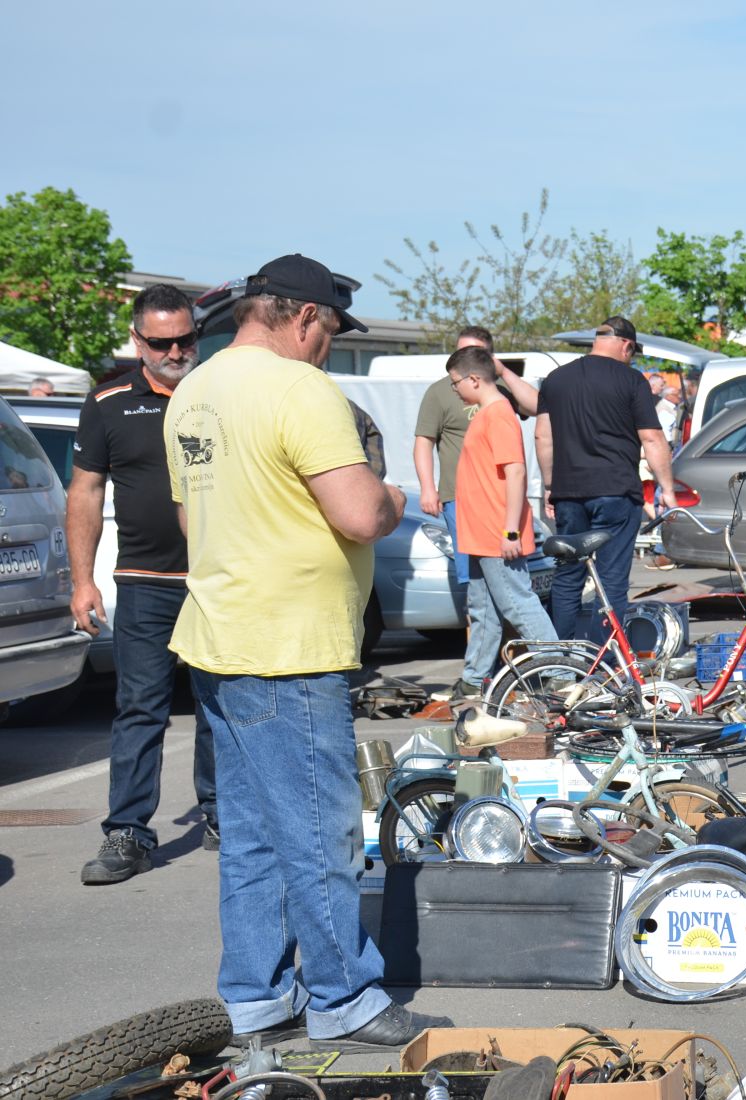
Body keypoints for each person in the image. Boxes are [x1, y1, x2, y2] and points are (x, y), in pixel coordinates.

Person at [164, 254, 446, 1045]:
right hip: (289, 644)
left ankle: (256, 995)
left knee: (252, 834)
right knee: (319, 828)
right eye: (327, 332)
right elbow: (359, 515)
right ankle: (342, 997)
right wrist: (394, 497)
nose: (326, 348)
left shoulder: (194, 391)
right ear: (304, 319)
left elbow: (193, 522)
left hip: (220, 636)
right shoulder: (301, 390)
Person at [72, 284, 218, 885]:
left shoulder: (223, 394)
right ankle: (128, 832)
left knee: (222, 707)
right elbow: (84, 490)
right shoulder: (107, 403)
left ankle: (223, 815)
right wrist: (82, 581)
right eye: (162, 342)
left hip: (218, 579)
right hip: (145, 581)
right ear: (138, 340)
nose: (177, 350)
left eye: (187, 338)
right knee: (139, 709)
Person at [537, 316, 678, 643]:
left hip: (569, 492)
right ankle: (610, 657)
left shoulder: (556, 380)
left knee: (568, 576)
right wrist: (667, 490)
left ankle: (562, 659)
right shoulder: (631, 381)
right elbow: (653, 438)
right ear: (627, 345)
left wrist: (549, 485)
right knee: (612, 578)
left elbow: (543, 438)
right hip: (616, 491)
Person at [448, 346, 558, 696]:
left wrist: (510, 529)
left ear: (474, 379)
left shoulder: (498, 414)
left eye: (455, 383)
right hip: (481, 534)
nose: (454, 389)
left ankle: (562, 671)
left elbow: (515, 472)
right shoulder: (486, 413)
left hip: (498, 532)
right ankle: (473, 678)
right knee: (484, 609)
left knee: (516, 603)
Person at [413, 326, 538, 587]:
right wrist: (428, 488)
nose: (466, 358)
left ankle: (508, 627)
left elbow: (537, 406)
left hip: (501, 495)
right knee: (474, 580)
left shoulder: (498, 389)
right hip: (458, 496)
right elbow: (424, 441)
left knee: (507, 581)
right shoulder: (441, 391)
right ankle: (480, 627)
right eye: (462, 351)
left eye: (475, 353)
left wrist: (503, 371)